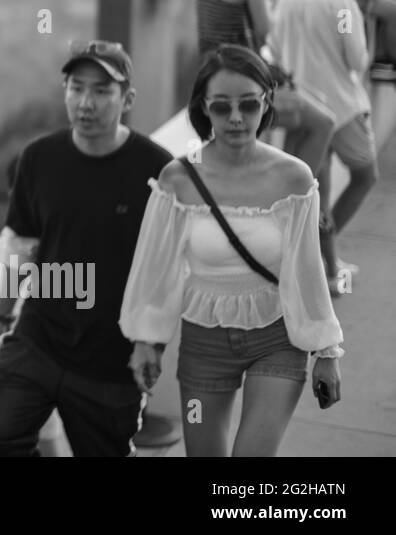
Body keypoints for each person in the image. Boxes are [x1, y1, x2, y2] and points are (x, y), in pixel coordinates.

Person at [120, 45, 343, 457]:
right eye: (222, 107)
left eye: (249, 104)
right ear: (204, 108)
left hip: (277, 337)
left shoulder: (294, 178)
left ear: (267, 102)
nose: (236, 118)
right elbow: (155, 268)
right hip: (204, 343)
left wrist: (326, 350)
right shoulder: (177, 179)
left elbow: (306, 270)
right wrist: (146, 341)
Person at [0, 41, 173, 457]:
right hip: (39, 337)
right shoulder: (38, 159)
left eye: (101, 91)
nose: (86, 103)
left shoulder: (156, 168)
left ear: (127, 99)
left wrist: (149, 342)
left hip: (113, 352)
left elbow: (166, 267)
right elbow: (21, 246)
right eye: (76, 88)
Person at [195, 0, 334, 184]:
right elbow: (265, 28)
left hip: (212, 76)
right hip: (243, 78)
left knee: (304, 117)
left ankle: (284, 185)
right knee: (324, 123)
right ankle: (293, 193)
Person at [270, 0, 375, 294]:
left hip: (302, 107)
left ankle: (328, 266)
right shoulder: (341, 5)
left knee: (320, 190)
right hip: (341, 106)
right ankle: (319, 256)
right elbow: (356, 59)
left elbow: (276, 50)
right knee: (365, 175)